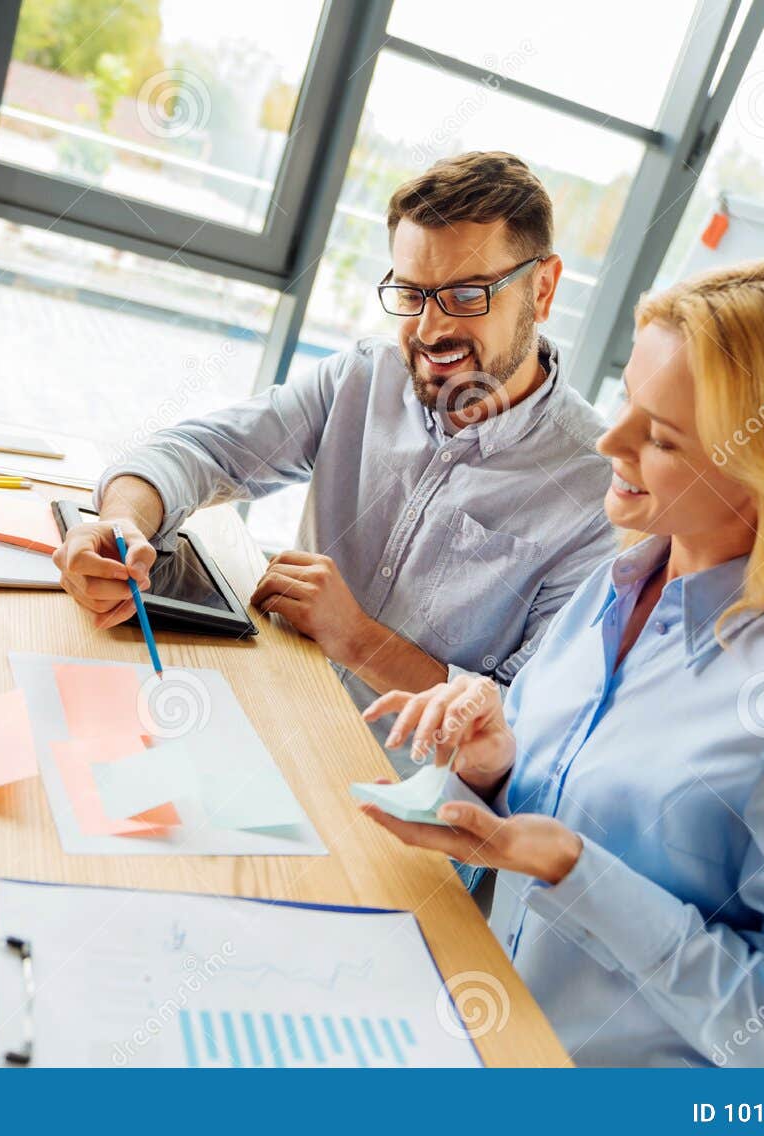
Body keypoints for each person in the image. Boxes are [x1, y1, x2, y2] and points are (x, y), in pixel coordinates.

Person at [362, 259, 764, 1066]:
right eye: (627, 397)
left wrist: (579, 871)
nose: (607, 440)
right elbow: (548, 815)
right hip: (471, 1028)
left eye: (660, 436)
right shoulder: (617, 582)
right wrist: (494, 766)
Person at [56, 152, 615, 770]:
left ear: (542, 287)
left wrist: (358, 640)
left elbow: (522, 727)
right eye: (410, 293)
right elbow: (198, 451)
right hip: (268, 716)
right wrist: (119, 523)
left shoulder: (600, 492)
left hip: (394, 793)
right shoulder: (365, 377)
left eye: (463, 295)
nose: (429, 331)